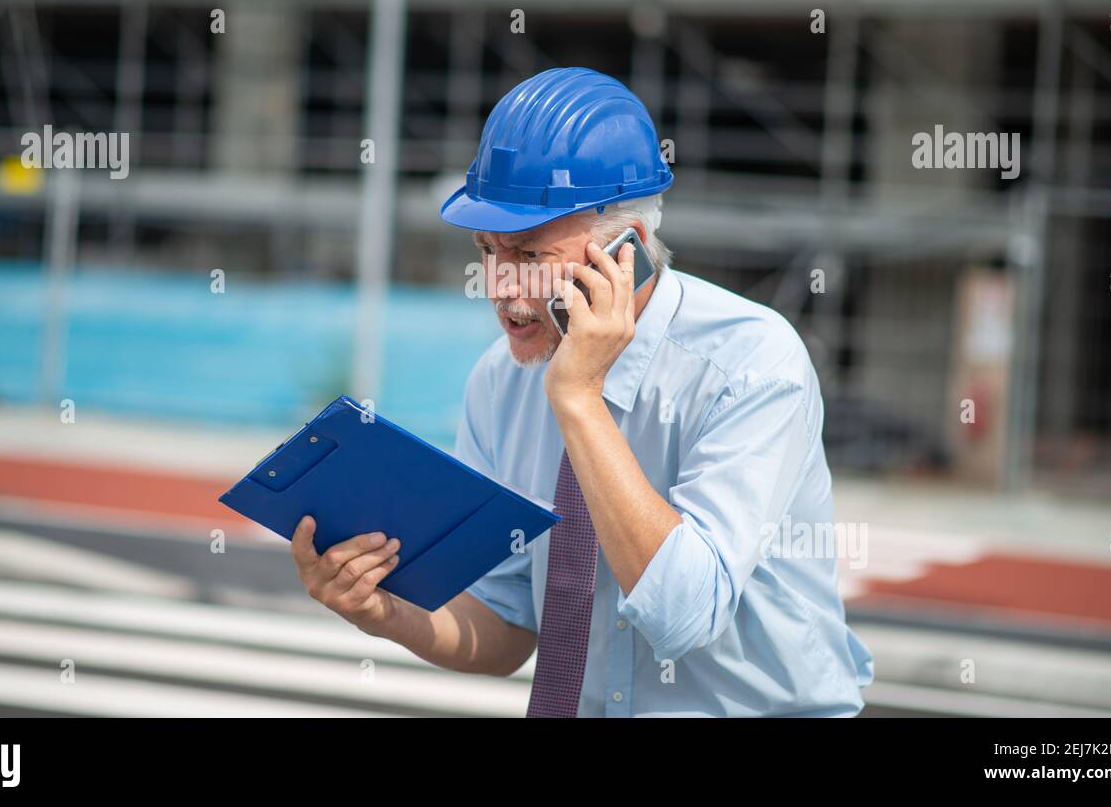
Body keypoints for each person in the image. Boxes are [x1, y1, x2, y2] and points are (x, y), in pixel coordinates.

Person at [292, 67, 874, 716]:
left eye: (530, 257)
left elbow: (684, 612)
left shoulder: (753, 364)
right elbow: (508, 623)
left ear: (628, 253)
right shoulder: (499, 380)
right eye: (488, 250)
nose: (500, 287)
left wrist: (579, 400)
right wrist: (386, 611)